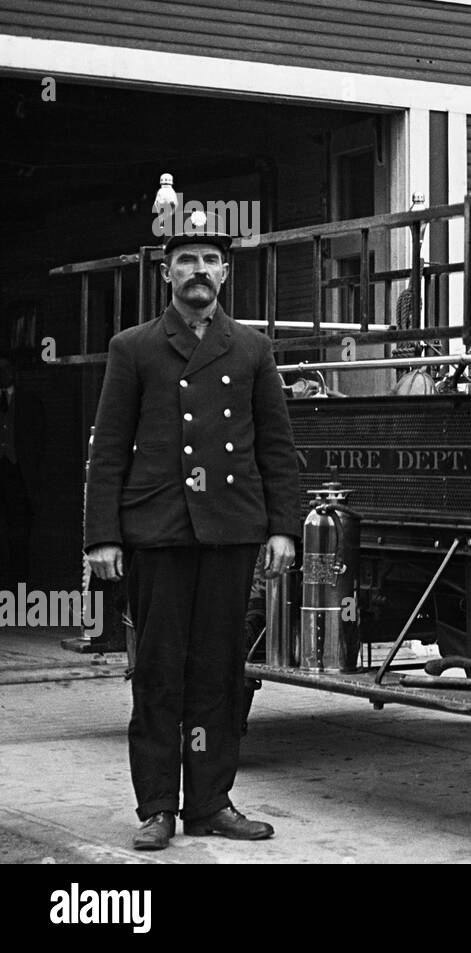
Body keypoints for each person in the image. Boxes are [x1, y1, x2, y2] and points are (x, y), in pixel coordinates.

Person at [84, 193, 301, 850]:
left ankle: (211, 801)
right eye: (187, 260)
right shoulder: (135, 348)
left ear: (226, 272)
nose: (199, 270)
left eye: (210, 258)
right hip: (160, 531)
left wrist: (284, 527)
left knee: (220, 672)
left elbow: (276, 446)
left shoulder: (254, 349)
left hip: (231, 531)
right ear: (167, 273)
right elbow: (107, 447)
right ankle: (157, 806)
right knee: (158, 672)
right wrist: (102, 536)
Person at [0, 357, 45, 590]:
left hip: (20, 476)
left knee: (19, 534)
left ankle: (19, 589)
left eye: (6, 368)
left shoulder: (30, 402)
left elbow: (39, 440)